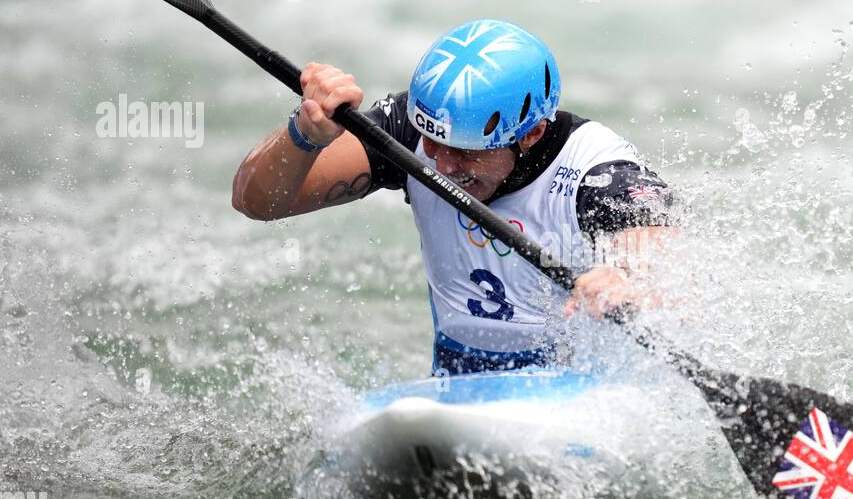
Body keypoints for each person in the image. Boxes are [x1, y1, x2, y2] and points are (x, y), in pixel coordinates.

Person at [231, 19, 676, 374]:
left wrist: (627, 278)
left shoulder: (596, 166)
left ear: (532, 133)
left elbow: (654, 244)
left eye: (463, 152)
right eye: (432, 143)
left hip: (580, 389)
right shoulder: (408, 130)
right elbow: (256, 202)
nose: (439, 165)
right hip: (459, 382)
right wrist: (305, 133)